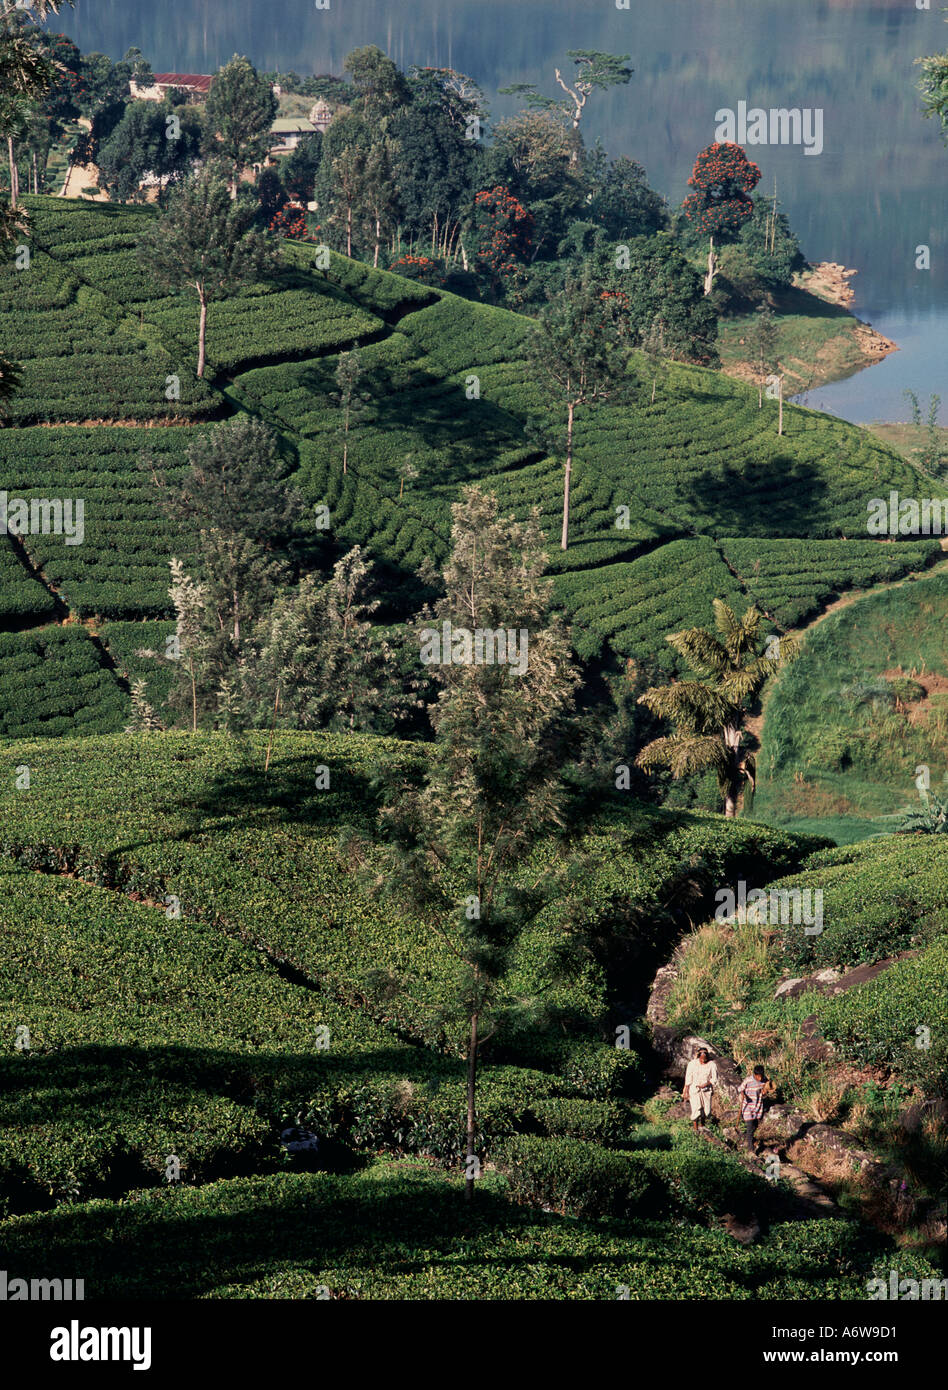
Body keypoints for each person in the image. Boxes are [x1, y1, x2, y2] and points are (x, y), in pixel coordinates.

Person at [738, 1065, 773, 1153]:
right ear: (754, 1074)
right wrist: (743, 1094)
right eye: (758, 1076)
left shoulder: (764, 1080)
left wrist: (765, 1092)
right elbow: (740, 1088)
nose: (759, 1078)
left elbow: (768, 1089)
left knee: (755, 1126)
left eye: (761, 1076)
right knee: (750, 1126)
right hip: (748, 1105)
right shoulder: (748, 1080)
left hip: (757, 1106)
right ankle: (750, 1149)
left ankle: (748, 1140)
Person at [683, 1047, 718, 1131]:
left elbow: (714, 1078)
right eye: (701, 1059)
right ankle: (695, 1129)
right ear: (699, 1057)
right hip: (694, 1089)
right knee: (696, 1109)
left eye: (704, 1059)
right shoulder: (692, 1064)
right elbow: (688, 1077)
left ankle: (702, 1125)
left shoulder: (712, 1064)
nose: (703, 1061)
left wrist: (707, 1083)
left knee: (706, 1110)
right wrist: (686, 1090)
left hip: (706, 1090)